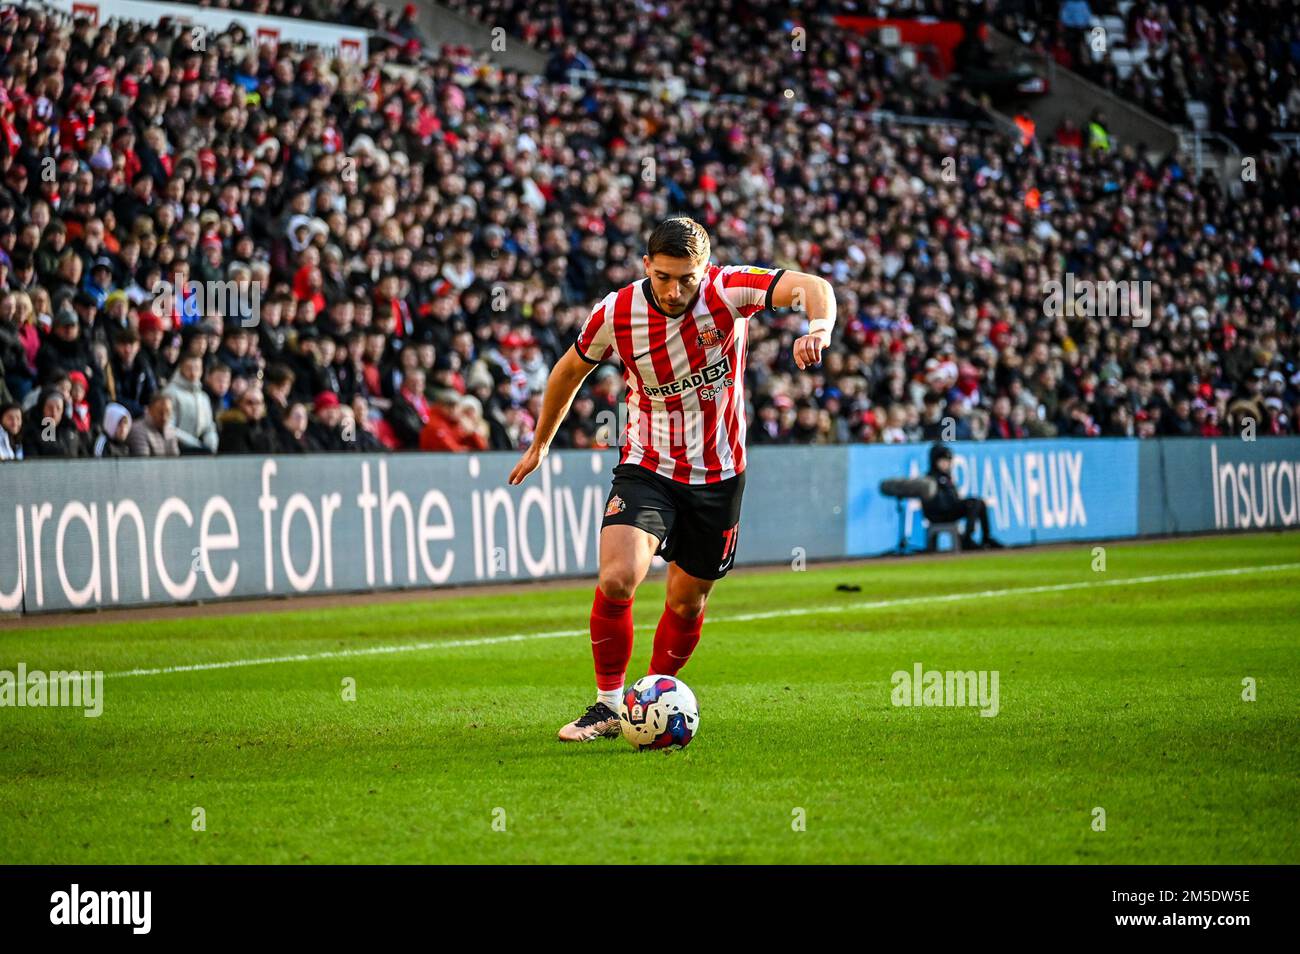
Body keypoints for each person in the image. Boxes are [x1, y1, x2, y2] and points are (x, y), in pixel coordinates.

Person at [508, 216, 836, 742]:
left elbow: (812, 287)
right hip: (648, 466)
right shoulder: (616, 312)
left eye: (687, 278)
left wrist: (818, 327)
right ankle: (608, 706)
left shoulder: (729, 290)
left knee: (687, 601)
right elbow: (570, 370)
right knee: (617, 577)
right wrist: (541, 441)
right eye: (663, 276)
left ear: (704, 269)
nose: (675, 289)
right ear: (646, 266)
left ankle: (654, 695)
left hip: (719, 475)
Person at [922, 444, 1002, 550]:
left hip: (950, 509)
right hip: (940, 513)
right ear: (935, 461)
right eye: (944, 461)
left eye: (948, 461)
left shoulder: (946, 477)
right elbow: (938, 503)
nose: (947, 464)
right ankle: (967, 539)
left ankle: (986, 538)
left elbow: (954, 497)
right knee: (973, 504)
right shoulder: (930, 479)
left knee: (979, 503)